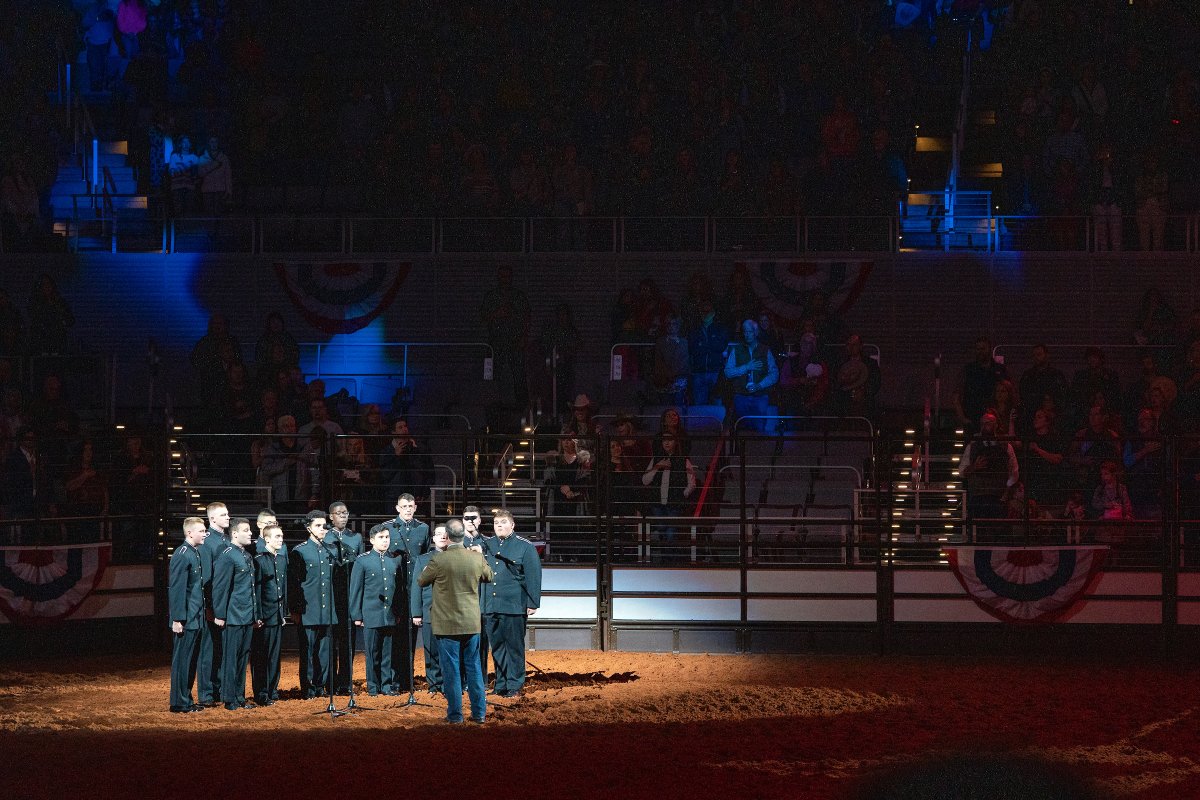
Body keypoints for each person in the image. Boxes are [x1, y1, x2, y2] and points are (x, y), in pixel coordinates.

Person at [417, 517, 494, 724]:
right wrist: (480, 555)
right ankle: (479, 714)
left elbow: (421, 581)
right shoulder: (475, 558)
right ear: (462, 536)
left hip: (447, 625)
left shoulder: (438, 560)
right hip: (471, 623)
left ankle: (455, 715)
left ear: (447, 536)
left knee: (451, 671)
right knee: (474, 668)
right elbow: (489, 576)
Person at [480, 509, 541, 698]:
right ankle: (501, 684)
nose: (499, 526)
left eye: (504, 522)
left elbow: (533, 575)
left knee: (514, 648)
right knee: (497, 647)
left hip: (514, 606)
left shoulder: (525, 547)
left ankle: (515, 685)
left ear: (512, 525)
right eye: (496, 523)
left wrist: (533, 602)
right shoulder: (487, 545)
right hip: (491, 605)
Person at [212, 518, 260, 710]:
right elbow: (220, 588)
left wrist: (254, 614)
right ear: (234, 534)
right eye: (246, 530)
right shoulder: (227, 556)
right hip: (233, 616)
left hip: (246, 616)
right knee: (231, 659)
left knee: (242, 658)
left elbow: (251, 589)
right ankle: (229, 697)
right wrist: (220, 614)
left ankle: (239, 696)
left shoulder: (246, 555)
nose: (250, 533)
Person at [289, 510, 337, 699]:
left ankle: (320, 686)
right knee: (308, 651)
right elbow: (293, 584)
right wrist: (295, 610)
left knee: (325, 651)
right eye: (317, 525)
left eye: (324, 525)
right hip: (308, 610)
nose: (322, 529)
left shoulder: (332, 550)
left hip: (327, 610)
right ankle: (308, 688)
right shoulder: (299, 551)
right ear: (308, 528)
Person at [384, 492, 430, 690]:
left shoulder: (423, 528)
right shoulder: (388, 527)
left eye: (411, 506)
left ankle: (407, 680)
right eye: (404, 506)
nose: (408, 509)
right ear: (397, 508)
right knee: (395, 635)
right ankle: (393, 679)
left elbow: (425, 558)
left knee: (411, 635)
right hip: (395, 590)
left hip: (415, 589)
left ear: (415, 508)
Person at [351, 525, 403, 696]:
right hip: (371, 614)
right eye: (381, 537)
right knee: (373, 653)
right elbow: (356, 589)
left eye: (387, 537)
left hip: (390, 615)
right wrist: (356, 615)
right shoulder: (363, 561)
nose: (385, 540)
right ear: (372, 540)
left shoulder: (395, 560)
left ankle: (386, 686)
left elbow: (398, 590)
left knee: (387, 653)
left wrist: (398, 612)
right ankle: (373, 687)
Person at [168, 517, 207, 713]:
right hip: (186, 619)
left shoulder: (193, 552)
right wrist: (177, 618)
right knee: (182, 661)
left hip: (195, 617)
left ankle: (186, 699)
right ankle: (179, 702)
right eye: (201, 531)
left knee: (190, 661)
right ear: (189, 533)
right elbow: (177, 589)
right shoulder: (183, 554)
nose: (205, 534)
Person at [324, 501, 363, 694]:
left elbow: (360, 566)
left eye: (346, 513)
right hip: (331, 594)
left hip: (349, 595)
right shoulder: (325, 536)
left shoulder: (355, 537)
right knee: (331, 641)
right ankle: (330, 682)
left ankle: (345, 683)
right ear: (331, 516)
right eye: (339, 513)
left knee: (348, 641)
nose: (343, 516)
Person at [197, 501, 230, 707]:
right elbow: (207, 578)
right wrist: (210, 607)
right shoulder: (208, 542)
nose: (228, 517)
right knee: (208, 650)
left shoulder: (226, 539)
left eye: (227, 514)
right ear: (212, 518)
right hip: (213, 605)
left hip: (225, 604)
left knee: (221, 649)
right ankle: (206, 693)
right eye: (223, 515)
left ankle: (218, 689)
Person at [410, 524, 449, 695]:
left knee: (450, 651)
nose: (442, 536)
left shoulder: (458, 557)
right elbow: (416, 587)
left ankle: (450, 684)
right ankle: (434, 684)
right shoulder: (423, 560)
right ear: (433, 538)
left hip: (452, 613)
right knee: (431, 650)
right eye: (439, 534)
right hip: (430, 611)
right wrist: (416, 613)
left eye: (445, 534)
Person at [960, 412, 1019, 525]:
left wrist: (1006, 491)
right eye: (982, 423)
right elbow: (962, 472)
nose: (984, 426)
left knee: (997, 528)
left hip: (998, 497)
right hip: (978, 497)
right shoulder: (972, 446)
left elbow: (1014, 471)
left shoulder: (1005, 446)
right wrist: (974, 467)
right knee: (978, 528)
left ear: (996, 425)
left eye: (988, 423)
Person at [251, 522, 287, 706]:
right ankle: (261, 693)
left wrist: (282, 614)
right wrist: (257, 615)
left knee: (274, 656)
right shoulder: (258, 560)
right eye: (277, 536)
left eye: (281, 536)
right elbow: (256, 591)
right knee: (261, 657)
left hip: (276, 616)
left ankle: (272, 690)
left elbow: (282, 588)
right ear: (266, 539)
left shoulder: (281, 559)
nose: (281, 539)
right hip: (263, 617)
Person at [725, 319, 779, 433]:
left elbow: (774, 374)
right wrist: (746, 367)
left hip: (760, 396)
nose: (747, 334)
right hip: (741, 396)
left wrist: (759, 385)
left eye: (750, 332)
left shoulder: (765, 350)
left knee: (759, 430)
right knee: (741, 429)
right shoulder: (736, 350)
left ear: (756, 332)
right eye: (745, 332)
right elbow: (728, 372)